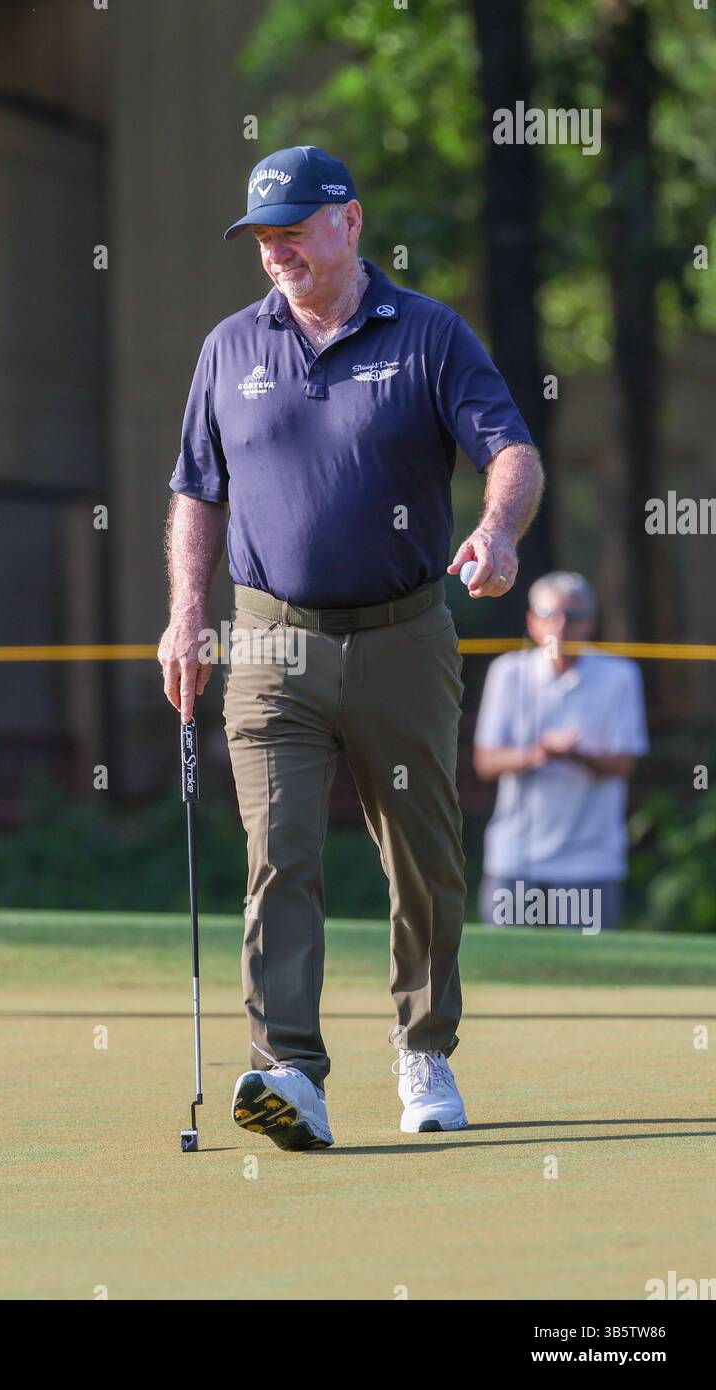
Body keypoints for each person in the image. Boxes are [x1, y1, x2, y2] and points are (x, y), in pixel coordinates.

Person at [158, 145, 543, 1148]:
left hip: (401, 637)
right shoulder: (227, 349)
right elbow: (197, 490)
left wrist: (497, 532)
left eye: (294, 228)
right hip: (269, 645)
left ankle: (424, 1047)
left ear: (349, 222)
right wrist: (184, 614)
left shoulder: (426, 334)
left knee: (422, 859)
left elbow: (510, 449)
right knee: (278, 854)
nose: (277, 248)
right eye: (263, 235)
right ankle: (287, 1069)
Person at [474, 572, 648, 932]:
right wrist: (539, 753)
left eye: (576, 616)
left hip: (591, 859)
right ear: (532, 621)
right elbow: (487, 762)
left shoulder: (620, 675)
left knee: (588, 980)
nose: (563, 625)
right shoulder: (508, 673)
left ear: (591, 623)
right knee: (504, 976)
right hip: (515, 857)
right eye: (551, 614)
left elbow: (623, 764)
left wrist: (575, 754)